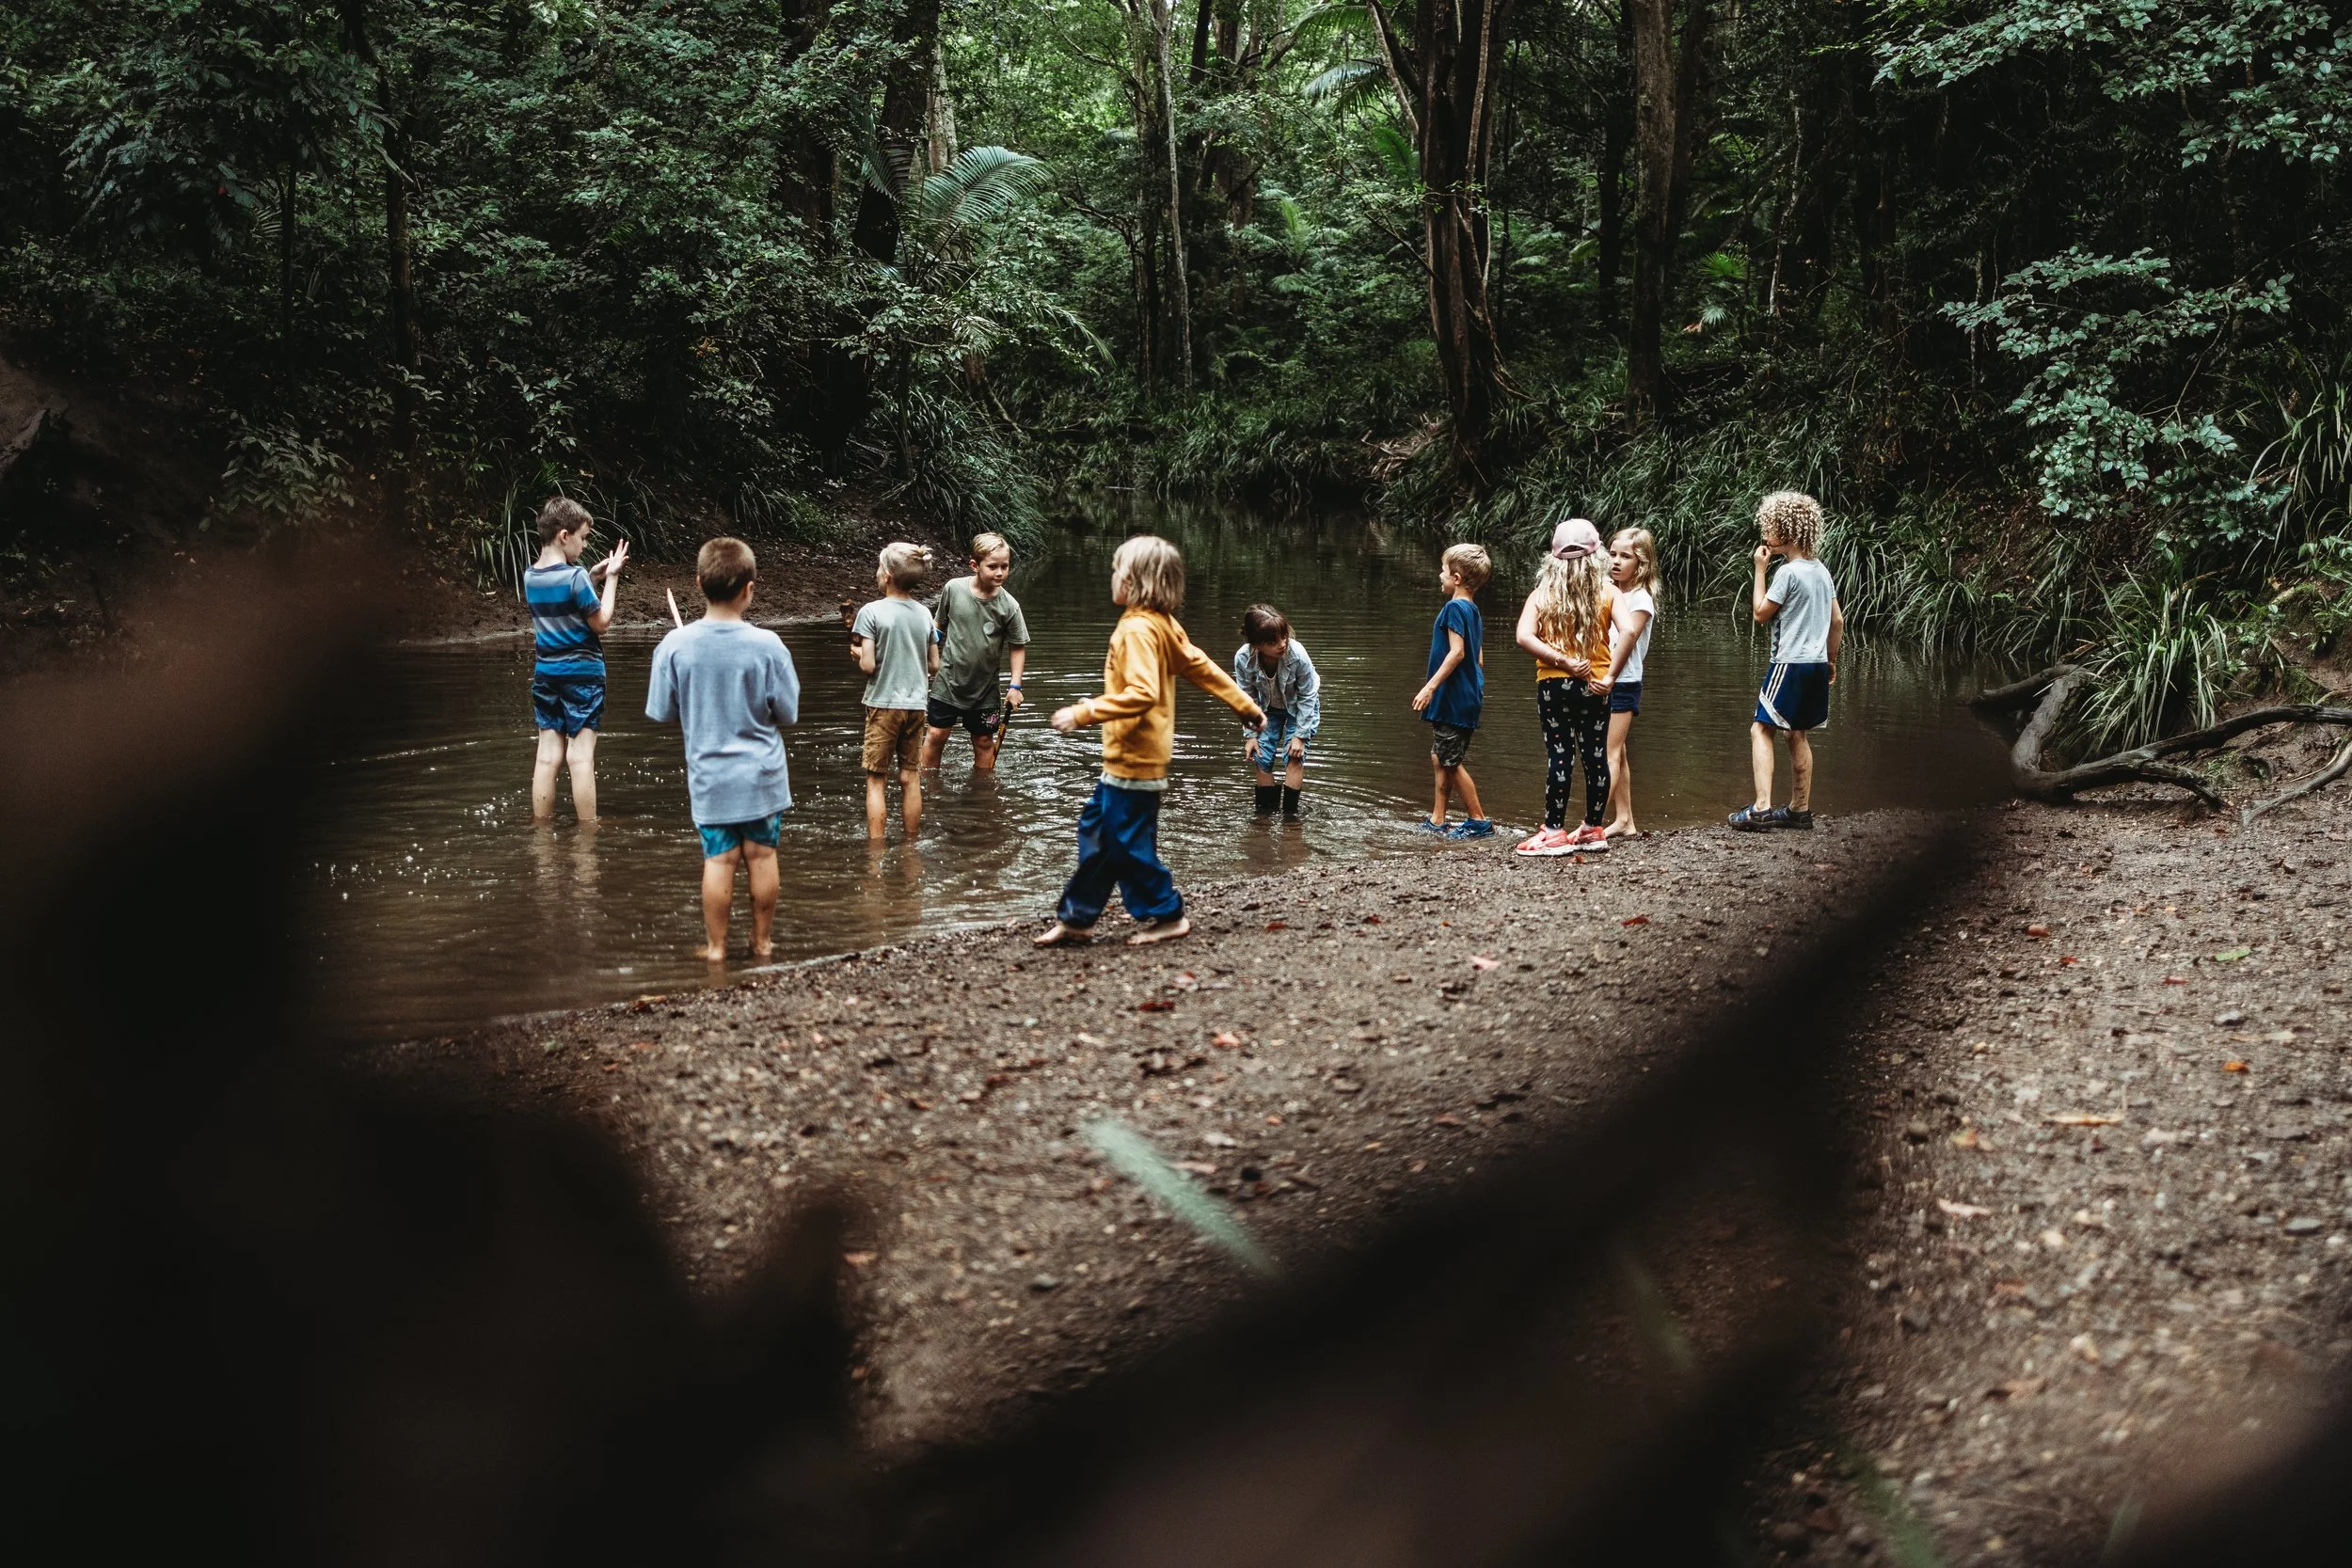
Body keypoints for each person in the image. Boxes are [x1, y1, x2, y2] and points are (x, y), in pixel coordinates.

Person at [1037, 535, 1264, 947]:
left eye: (1115, 571)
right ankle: (1078, 918)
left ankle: (1166, 914)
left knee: (1125, 844)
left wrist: (1084, 712)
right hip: (1126, 760)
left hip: (1136, 758)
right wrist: (1244, 705)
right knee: (1098, 833)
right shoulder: (1160, 623)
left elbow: (1143, 693)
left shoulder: (1139, 630)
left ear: (1135, 581)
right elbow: (1201, 666)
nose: (1112, 577)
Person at [645, 537, 801, 961]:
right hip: (762, 776)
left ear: (698, 584)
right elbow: (787, 713)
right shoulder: (769, 645)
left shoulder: (674, 647)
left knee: (719, 861)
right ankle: (762, 942)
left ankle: (716, 949)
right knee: (762, 854)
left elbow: (662, 712)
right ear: (751, 588)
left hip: (710, 777)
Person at [1730, 490, 1843, 832]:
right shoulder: (1822, 571)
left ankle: (1761, 808)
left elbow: (1760, 614)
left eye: (1772, 528)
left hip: (1789, 664)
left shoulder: (1788, 573)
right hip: (1816, 665)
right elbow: (1837, 622)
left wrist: (1760, 569)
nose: (1766, 534)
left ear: (1789, 533)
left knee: (1760, 728)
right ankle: (1799, 809)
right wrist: (1831, 662)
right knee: (1797, 734)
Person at [1512, 516, 1616, 858]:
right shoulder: (1608, 591)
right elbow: (1629, 631)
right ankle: (1593, 829)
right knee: (1595, 756)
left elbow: (1524, 636)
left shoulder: (1542, 595)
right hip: (1596, 686)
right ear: (1596, 555)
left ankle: (1555, 832)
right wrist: (1611, 675)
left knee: (1560, 755)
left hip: (1554, 685)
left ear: (1554, 558)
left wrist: (1563, 661)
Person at [523, 496, 627, 822]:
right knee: (580, 759)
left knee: (546, 758)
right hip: (582, 676)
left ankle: (541, 834)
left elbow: (564, 604)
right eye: (582, 538)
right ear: (564, 536)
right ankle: (588, 837)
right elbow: (602, 623)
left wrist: (591, 578)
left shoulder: (530, 577)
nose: (584, 546)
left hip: (546, 675)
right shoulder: (574, 576)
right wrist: (610, 579)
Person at [850, 542, 939, 842]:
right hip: (916, 706)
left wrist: (858, 652)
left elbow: (868, 666)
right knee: (910, 777)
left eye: (878, 567)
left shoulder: (870, 612)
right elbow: (934, 664)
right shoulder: (925, 614)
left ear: (887, 575)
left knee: (876, 779)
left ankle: (875, 854)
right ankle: (910, 847)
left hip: (884, 705)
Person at [922, 531, 1031, 771]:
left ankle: (983, 796)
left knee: (983, 741)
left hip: (985, 690)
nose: (1000, 572)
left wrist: (1015, 687)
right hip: (948, 682)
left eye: (1005, 566)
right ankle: (927, 789)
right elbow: (938, 627)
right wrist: (927, 660)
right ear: (974, 565)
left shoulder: (1009, 606)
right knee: (936, 735)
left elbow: (1017, 646)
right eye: (993, 566)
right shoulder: (953, 589)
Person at [1411, 543, 1494, 839]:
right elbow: (1478, 659)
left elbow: (1457, 653)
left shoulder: (1454, 608)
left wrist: (1431, 686)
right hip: (1466, 698)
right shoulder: (1472, 609)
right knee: (1441, 755)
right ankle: (1438, 818)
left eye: (1444, 571)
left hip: (1451, 698)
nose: (1440, 575)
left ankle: (1478, 820)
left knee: (1450, 760)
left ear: (1456, 578)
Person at [1231, 604, 1321, 819]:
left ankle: (1290, 821)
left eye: (1284, 637)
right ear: (1256, 644)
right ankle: (1264, 819)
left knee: (1294, 756)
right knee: (1261, 758)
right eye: (1273, 642)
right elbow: (1246, 698)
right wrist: (1250, 736)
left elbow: (1308, 696)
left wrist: (1300, 735)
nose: (1282, 645)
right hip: (1265, 710)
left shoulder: (1297, 655)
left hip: (1299, 709)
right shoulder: (1243, 659)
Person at [1601, 527, 1661, 839]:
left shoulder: (1640, 600)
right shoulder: (1608, 591)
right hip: (1601, 678)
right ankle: (1625, 820)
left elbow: (1628, 639)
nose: (1616, 561)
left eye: (1625, 556)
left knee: (1607, 753)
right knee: (1618, 752)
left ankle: (1591, 824)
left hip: (1622, 681)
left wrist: (1609, 677)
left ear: (1642, 564)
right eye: (1612, 554)